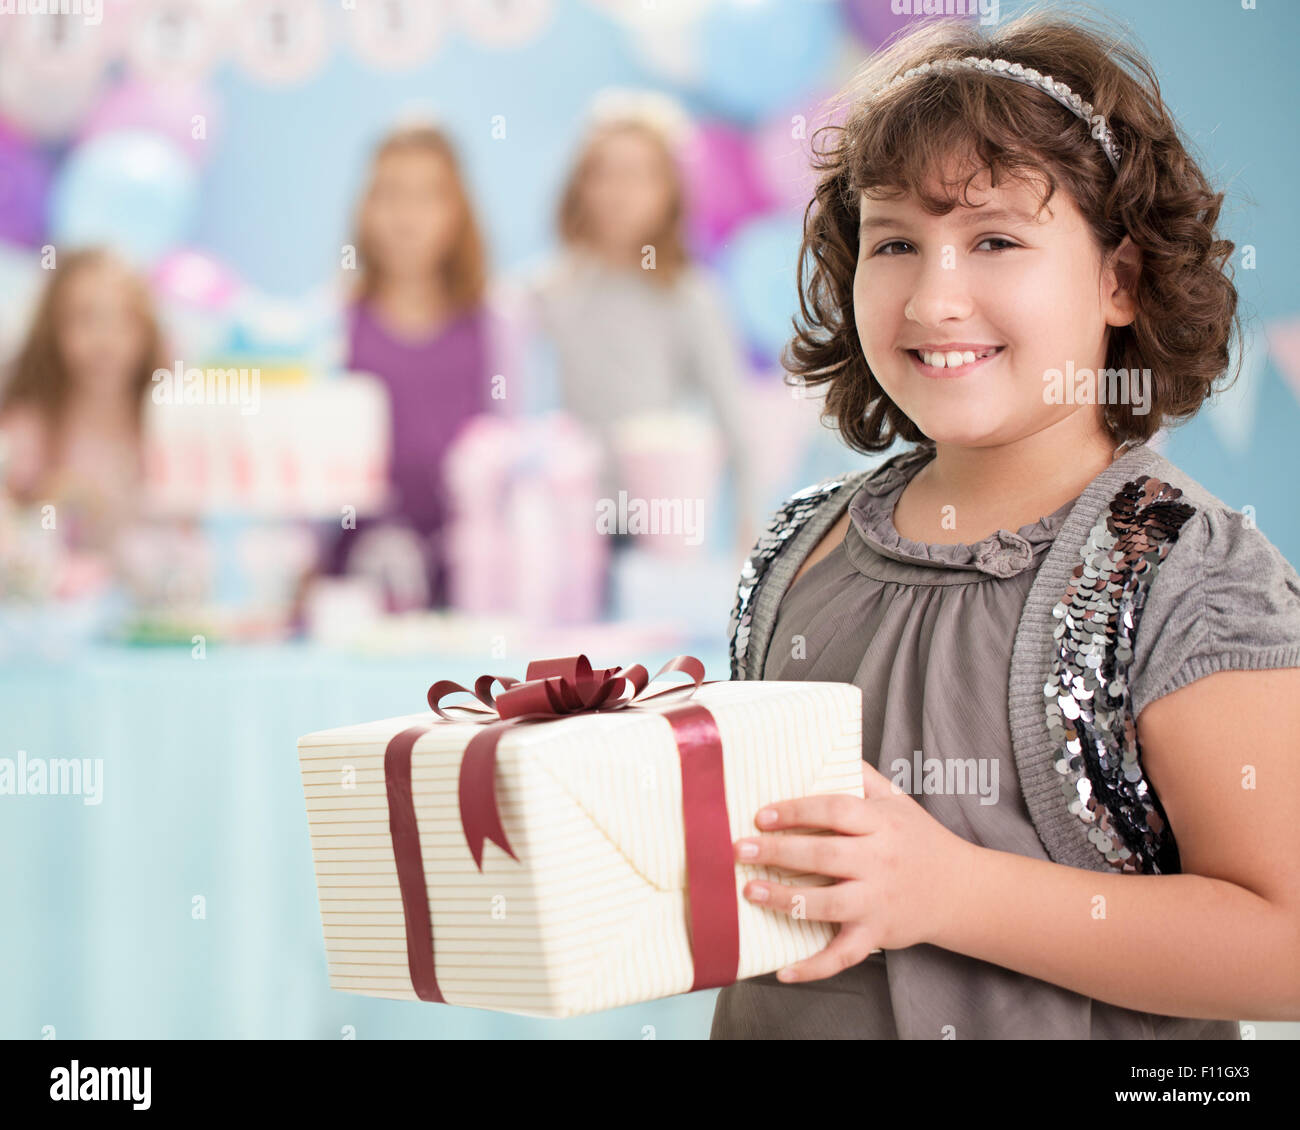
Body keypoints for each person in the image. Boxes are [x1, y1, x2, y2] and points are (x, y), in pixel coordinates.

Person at [711, 10, 1300, 1039]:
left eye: (994, 239)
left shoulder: (1183, 571)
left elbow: (1284, 946)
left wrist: (949, 892)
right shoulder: (799, 546)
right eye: (896, 241)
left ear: (1117, 279)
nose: (937, 297)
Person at [524, 92, 760, 583]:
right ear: (579, 186)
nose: (619, 191)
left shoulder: (690, 297)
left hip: (655, 529)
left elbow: (736, 427)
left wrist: (748, 537)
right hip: (564, 522)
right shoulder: (543, 294)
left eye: (638, 175)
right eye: (603, 173)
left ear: (669, 191)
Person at [321, 122, 493, 609]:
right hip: (351, 593)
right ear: (365, 210)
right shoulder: (331, 325)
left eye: (428, 196)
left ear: (458, 212)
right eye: (390, 194)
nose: (407, 216)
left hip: (469, 596)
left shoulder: (499, 327)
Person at [0, 247, 165, 561]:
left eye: (124, 319)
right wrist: (45, 504)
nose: (105, 339)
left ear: (147, 330)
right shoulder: (29, 430)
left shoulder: (167, 424)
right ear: (53, 329)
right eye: (84, 318)